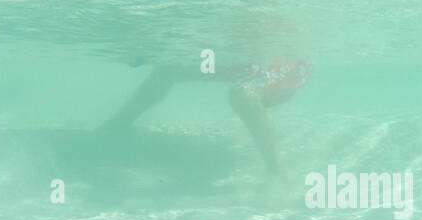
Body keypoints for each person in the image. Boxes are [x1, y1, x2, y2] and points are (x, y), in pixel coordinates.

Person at [98, 56, 312, 178]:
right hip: (258, 60)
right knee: (171, 70)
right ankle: (278, 173)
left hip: (269, 61)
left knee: (243, 93)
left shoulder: (274, 72)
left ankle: (278, 173)